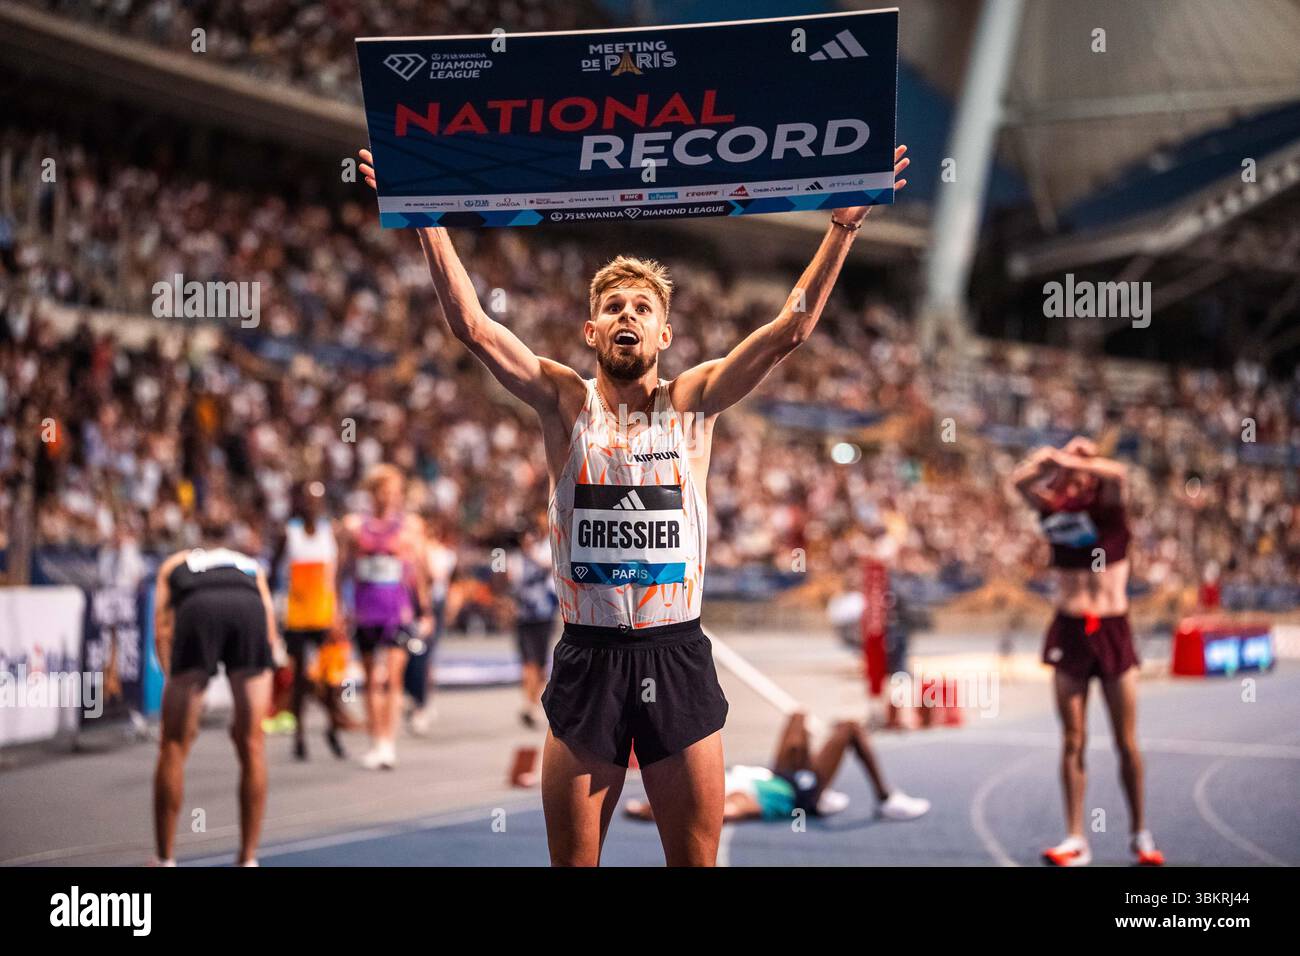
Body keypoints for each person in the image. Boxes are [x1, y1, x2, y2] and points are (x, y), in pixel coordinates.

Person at [358, 143, 910, 866]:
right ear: (592, 331)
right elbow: (473, 327)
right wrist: (427, 219)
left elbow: (789, 332)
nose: (627, 314)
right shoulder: (563, 402)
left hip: (674, 652)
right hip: (588, 659)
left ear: (663, 334)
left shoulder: (694, 403)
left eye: (642, 307)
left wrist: (840, 230)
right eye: (613, 306)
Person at [1011, 437, 1165, 866]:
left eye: (1086, 455)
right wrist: (1047, 464)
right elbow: (1018, 484)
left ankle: (1140, 833)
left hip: (1112, 630)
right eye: (1073, 455)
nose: (1078, 461)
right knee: (1072, 739)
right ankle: (1076, 838)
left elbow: (1118, 475)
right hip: (1070, 631)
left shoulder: (1111, 511)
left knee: (1125, 741)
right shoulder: (1056, 513)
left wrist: (1072, 458)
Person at [151, 523, 281, 866]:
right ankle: (248, 858)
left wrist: (174, 680)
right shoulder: (248, 564)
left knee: (174, 744)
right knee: (252, 743)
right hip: (247, 608)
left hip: (199, 609)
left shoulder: (173, 564)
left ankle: (165, 859)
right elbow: (269, 630)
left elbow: (162, 627)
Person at [624, 712, 929, 823]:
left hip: (778, 775)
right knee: (849, 729)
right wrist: (651, 813)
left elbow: (678, 804)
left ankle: (824, 786)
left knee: (797, 717)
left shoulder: (720, 783)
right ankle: (887, 800)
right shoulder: (736, 799)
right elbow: (716, 813)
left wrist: (646, 808)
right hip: (799, 793)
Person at [338, 464, 432, 770]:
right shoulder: (354, 526)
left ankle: (388, 742)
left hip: (397, 611)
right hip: (365, 610)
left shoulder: (409, 527)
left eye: (395, 492)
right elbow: (342, 569)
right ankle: (375, 740)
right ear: (373, 491)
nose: (390, 497)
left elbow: (418, 572)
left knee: (393, 677)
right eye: (385, 491)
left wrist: (425, 610)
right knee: (369, 679)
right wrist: (339, 607)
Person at [270, 480, 347, 760]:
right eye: (307, 499)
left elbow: (336, 577)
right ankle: (300, 735)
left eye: (317, 499)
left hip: (324, 612)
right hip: (297, 614)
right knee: (300, 677)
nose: (312, 504)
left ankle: (333, 728)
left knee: (330, 677)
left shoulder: (330, 533)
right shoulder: (288, 534)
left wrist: (339, 610)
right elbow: (272, 572)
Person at [405, 511, 458, 735]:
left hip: (427, 608)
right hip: (405, 608)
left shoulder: (436, 554)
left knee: (423, 656)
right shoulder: (405, 553)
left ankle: (422, 703)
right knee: (408, 657)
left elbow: (437, 579)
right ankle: (414, 699)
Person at [506, 518, 560, 729]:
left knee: (540, 662)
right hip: (523, 615)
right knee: (527, 660)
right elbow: (508, 579)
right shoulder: (513, 558)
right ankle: (527, 704)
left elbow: (549, 566)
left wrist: (531, 554)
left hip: (544, 612)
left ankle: (534, 700)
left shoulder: (545, 550)